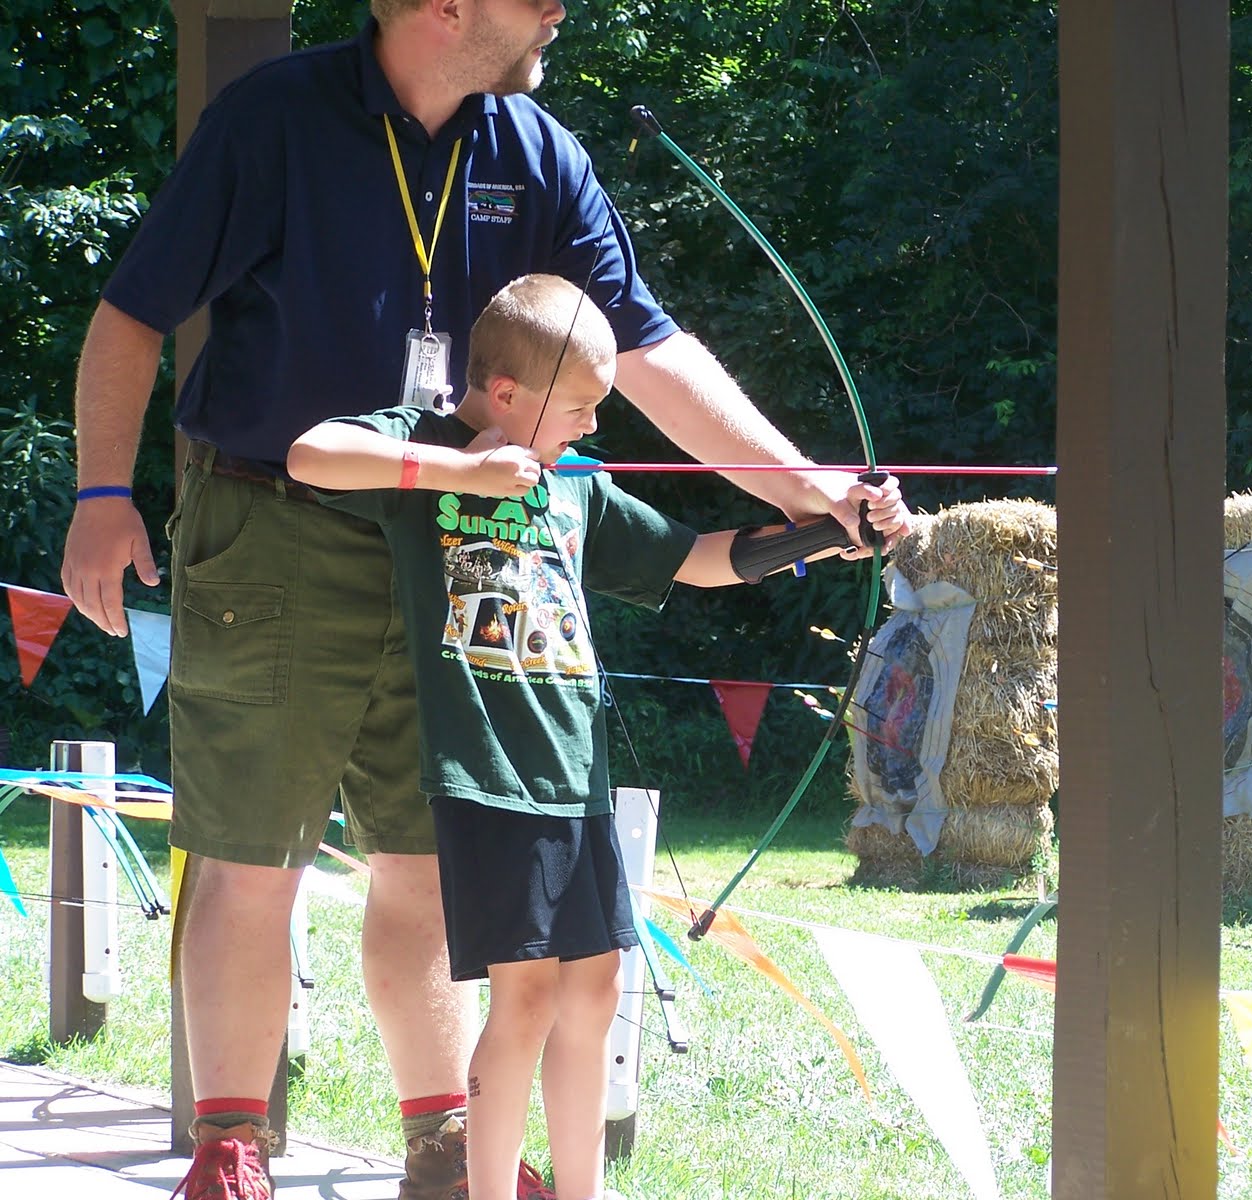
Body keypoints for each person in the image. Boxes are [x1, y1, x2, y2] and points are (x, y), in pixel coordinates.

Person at [57, 1, 910, 1197]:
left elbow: (644, 350)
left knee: (423, 856)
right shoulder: (275, 117)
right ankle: (231, 1145)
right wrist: (103, 491)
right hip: (272, 526)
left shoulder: (539, 147)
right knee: (254, 855)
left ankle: (446, 1142)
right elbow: (132, 312)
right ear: (446, 7)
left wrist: (807, 485)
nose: (560, 8)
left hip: (459, 545)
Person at [285, 273, 907, 1200]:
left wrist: (824, 532)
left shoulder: (576, 486)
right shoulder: (424, 451)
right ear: (506, 396)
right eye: (577, 407)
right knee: (525, 995)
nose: (590, 426)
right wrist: (463, 470)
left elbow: (697, 560)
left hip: (577, 779)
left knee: (595, 992)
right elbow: (309, 454)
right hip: (490, 777)